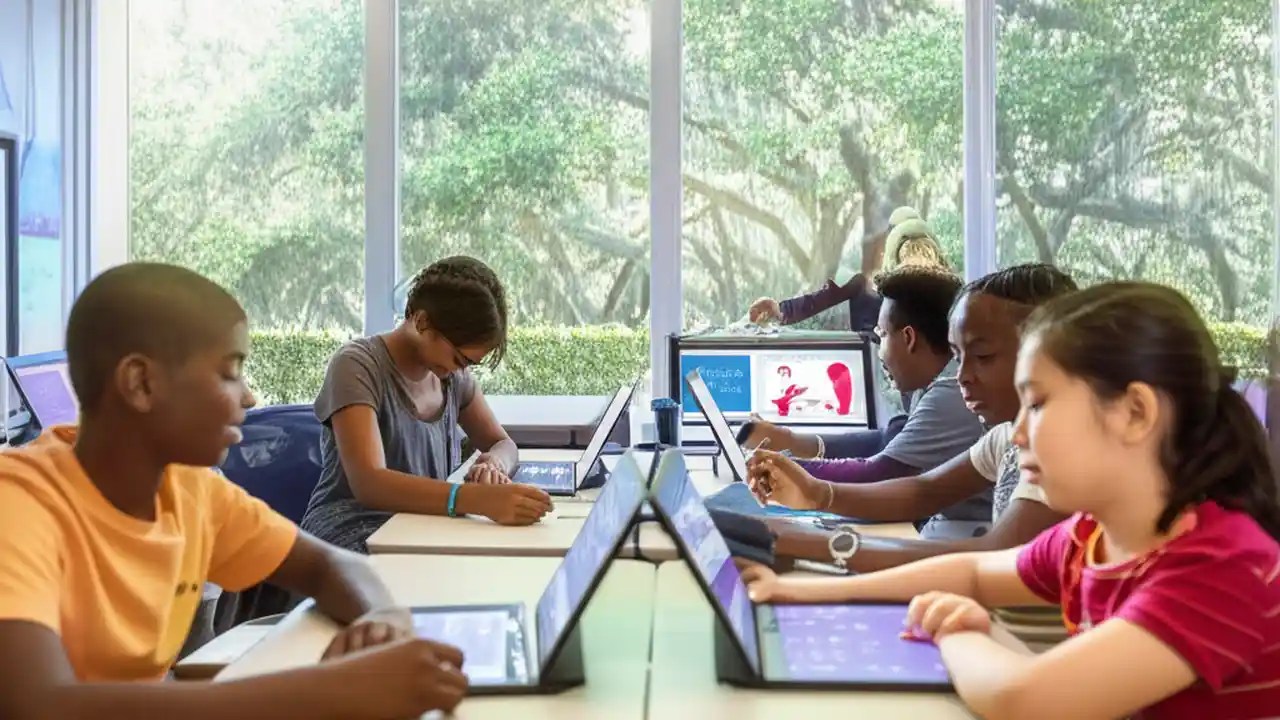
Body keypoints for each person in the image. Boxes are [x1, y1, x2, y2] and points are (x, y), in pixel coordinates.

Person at [742, 282, 1280, 719]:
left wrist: (955, 630)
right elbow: (974, 573)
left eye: (1038, 404)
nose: (1017, 433)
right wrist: (803, 592)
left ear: (1134, 413)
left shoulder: (1220, 567)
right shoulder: (1090, 538)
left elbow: (1022, 698)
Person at [0, 263, 469, 719]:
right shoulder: (18, 502)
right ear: (141, 383)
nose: (248, 397)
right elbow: (37, 705)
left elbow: (328, 565)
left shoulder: (191, 490)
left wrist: (380, 619)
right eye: (229, 373)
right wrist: (328, 691)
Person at [751, 264, 1077, 568]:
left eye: (983, 356)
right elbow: (923, 491)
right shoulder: (1006, 436)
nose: (962, 376)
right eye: (958, 356)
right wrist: (817, 493)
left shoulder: (1058, 449)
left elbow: (995, 558)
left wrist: (820, 544)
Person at [301, 256, 552, 553]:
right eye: (458, 358)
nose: (461, 369)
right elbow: (369, 483)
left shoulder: (452, 379)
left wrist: (495, 463)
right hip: (350, 532)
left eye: (469, 364)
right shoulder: (356, 365)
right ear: (421, 322)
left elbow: (503, 444)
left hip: (419, 526)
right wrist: (476, 500)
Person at [756, 266, 988, 524]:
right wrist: (789, 441)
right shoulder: (931, 382)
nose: (879, 351)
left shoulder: (951, 392)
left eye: (882, 335)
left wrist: (776, 467)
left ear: (909, 338)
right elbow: (889, 439)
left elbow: (882, 473)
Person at [745, 207, 947, 458]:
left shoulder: (944, 398)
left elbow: (884, 464)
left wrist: (789, 457)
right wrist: (789, 443)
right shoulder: (871, 284)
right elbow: (887, 445)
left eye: (884, 333)